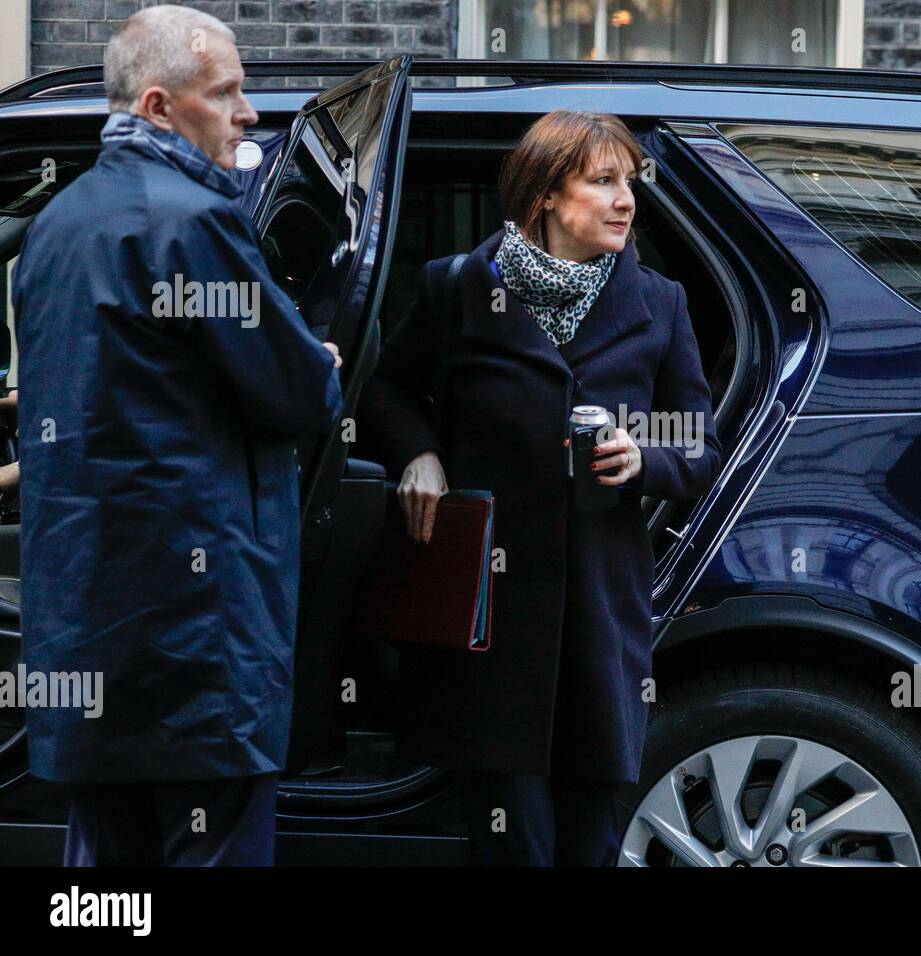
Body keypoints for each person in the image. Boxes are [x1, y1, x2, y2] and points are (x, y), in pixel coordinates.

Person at [10, 5, 344, 866]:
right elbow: (297, 394)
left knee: (106, 873)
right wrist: (318, 360)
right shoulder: (195, 220)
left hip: (88, 627)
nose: (250, 113)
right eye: (227, 92)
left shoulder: (56, 225)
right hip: (198, 636)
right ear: (160, 106)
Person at [359, 109, 722, 866]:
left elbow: (697, 444)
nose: (627, 199)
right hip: (492, 612)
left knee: (593, 832)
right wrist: (420, 455)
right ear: (546, 196)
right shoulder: (457, 287)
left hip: (600, 604)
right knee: (510, 834)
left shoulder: (661, 303)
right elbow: (386, 391)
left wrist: (643, 457)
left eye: (631, 183)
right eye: (604, 181)